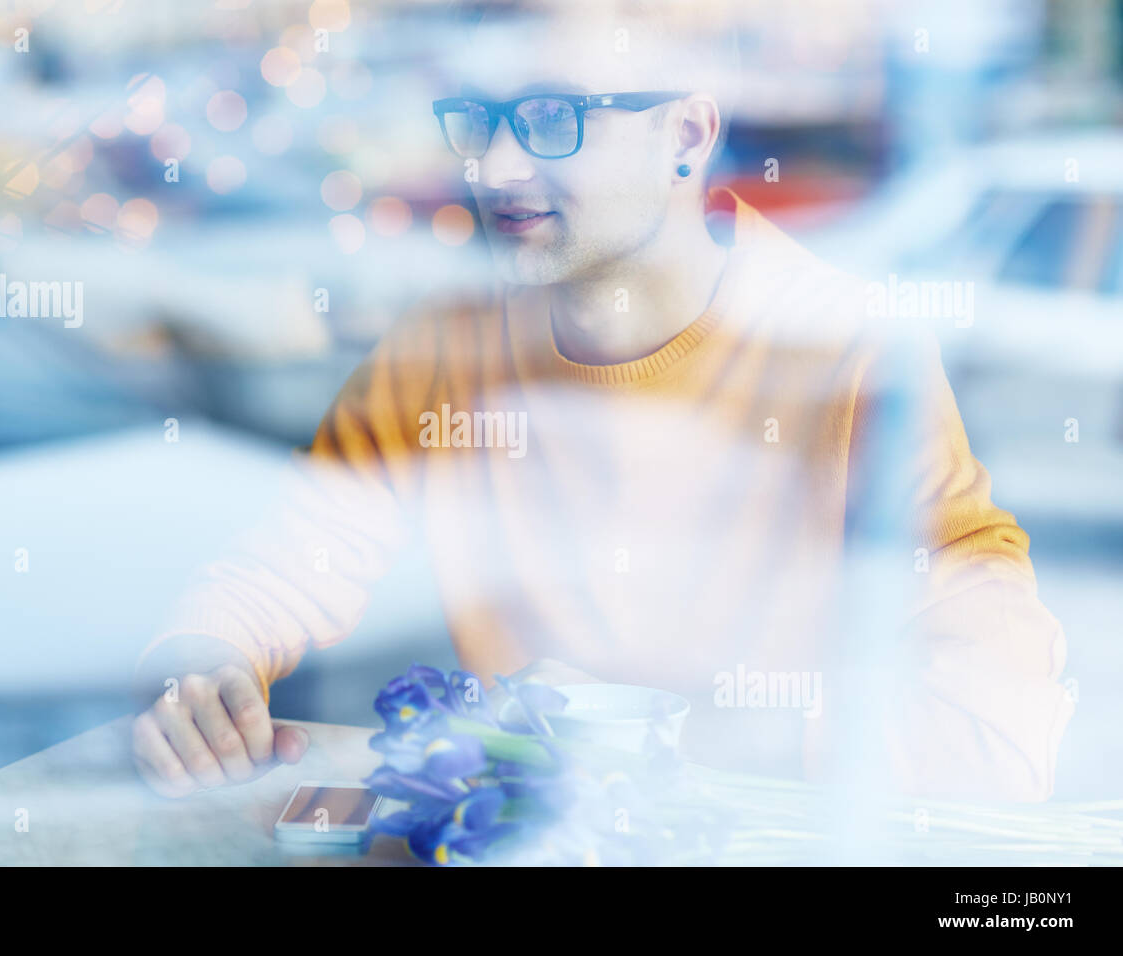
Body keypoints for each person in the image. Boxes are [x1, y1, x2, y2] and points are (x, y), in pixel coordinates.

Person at [130, 0, 1072, 802]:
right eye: (480, 118)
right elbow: (296, 557)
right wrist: (205, 662)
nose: (496, 168)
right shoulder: (442, 344)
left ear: (688, 134)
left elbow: (997, 729)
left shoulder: (846, 349)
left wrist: (652, 734)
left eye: (551, 121)